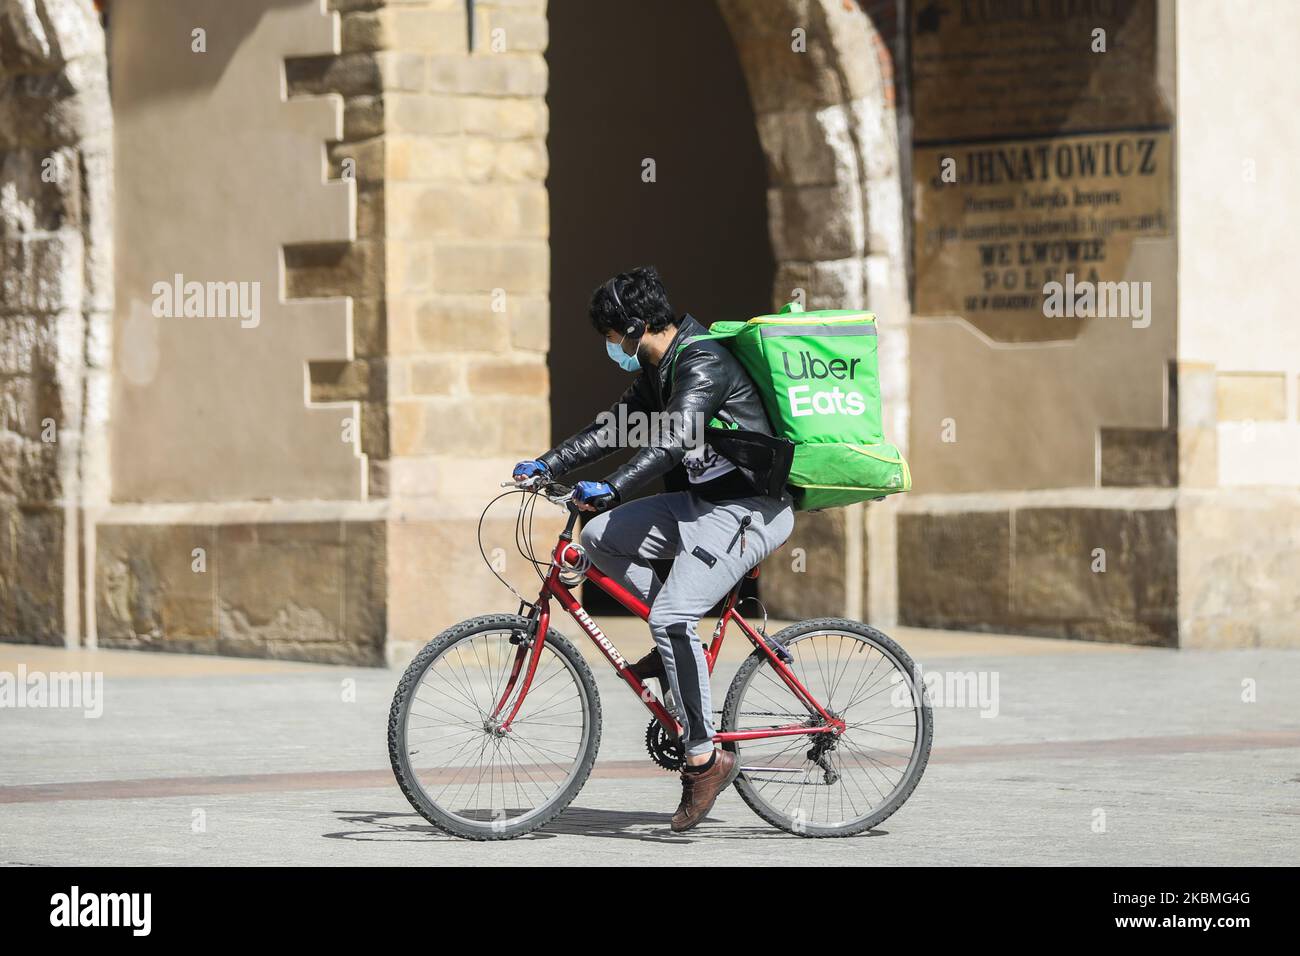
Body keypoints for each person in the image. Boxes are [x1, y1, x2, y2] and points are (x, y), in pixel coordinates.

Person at [512, 266, 795, 832]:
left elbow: (672, 442)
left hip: (747, 512)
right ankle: (675, 648)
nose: (612, 347)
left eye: (614, 336)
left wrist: (615, 487)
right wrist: (549, 463)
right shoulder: (656, 369)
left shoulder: (702, 363)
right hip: (696, 508)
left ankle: (705, 757)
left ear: (639, 326)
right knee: (598, 538)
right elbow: (609, 429)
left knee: (671, 615)